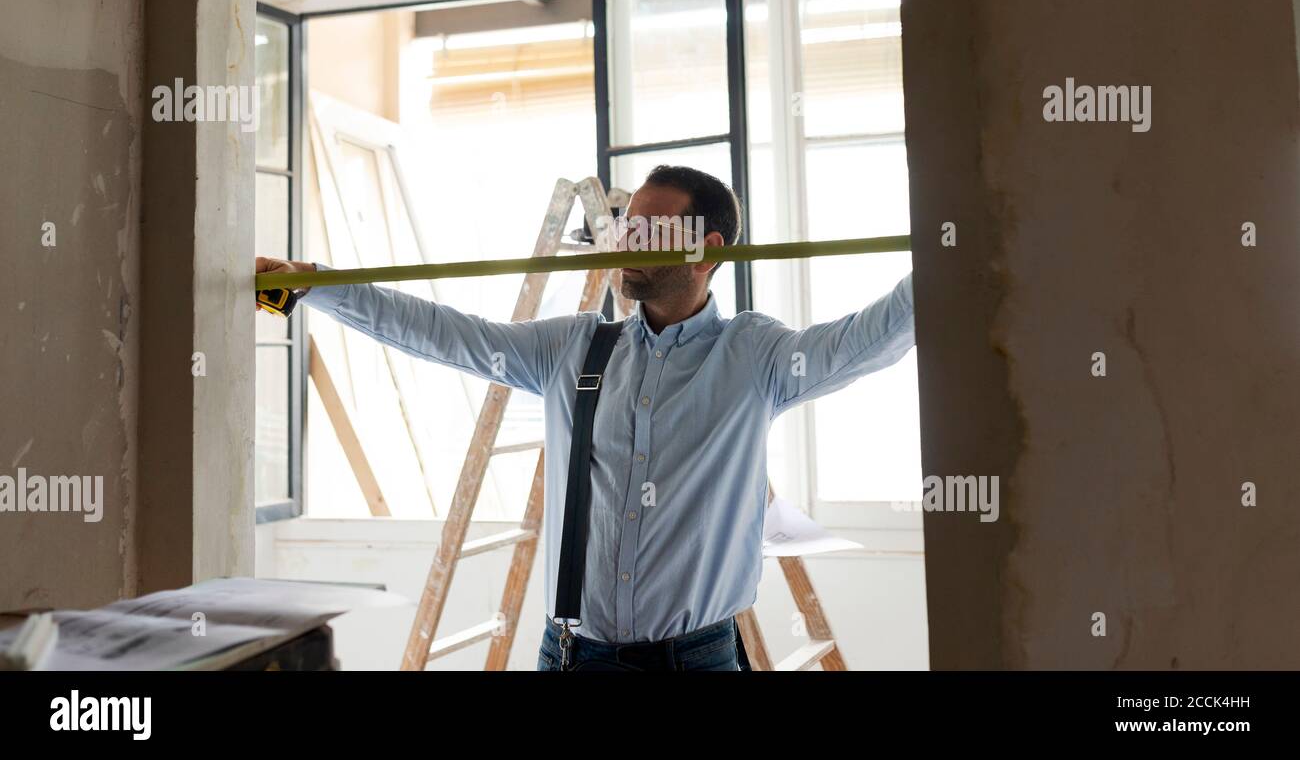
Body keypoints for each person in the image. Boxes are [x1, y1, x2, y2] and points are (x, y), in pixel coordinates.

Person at [257, 164, 914, 671]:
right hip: (573, 655)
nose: (628, 238)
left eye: (650, 229)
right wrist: (318, 286)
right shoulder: (574, 348)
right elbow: (443, 334)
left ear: (705, 248)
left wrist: (944, 258)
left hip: (696, 660)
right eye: (627, 224)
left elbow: (865, 339)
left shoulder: (754, 357)